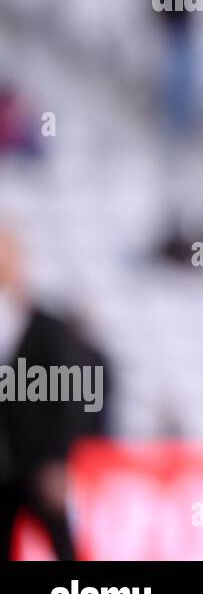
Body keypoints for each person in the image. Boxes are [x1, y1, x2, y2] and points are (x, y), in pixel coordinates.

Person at [0, 228, 111, 561]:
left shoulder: (47, 331)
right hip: (6, 468)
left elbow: (73, 398)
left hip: (39, 467)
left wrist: (60, 459)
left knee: (63, 548)